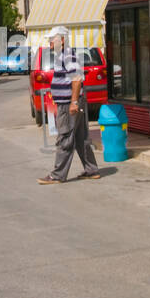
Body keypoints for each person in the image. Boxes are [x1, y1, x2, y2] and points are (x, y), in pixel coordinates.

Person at [37, 25, 101, 184]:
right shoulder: (64, 55)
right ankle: (91, 170)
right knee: (81, 138)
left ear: (63, 40)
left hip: (68, 104)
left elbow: (77, 79)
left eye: (53, 39)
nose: (50, 43)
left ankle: (58, 175)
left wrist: (73, 102)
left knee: (65, 138)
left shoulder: (67, 56)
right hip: (69, 102)